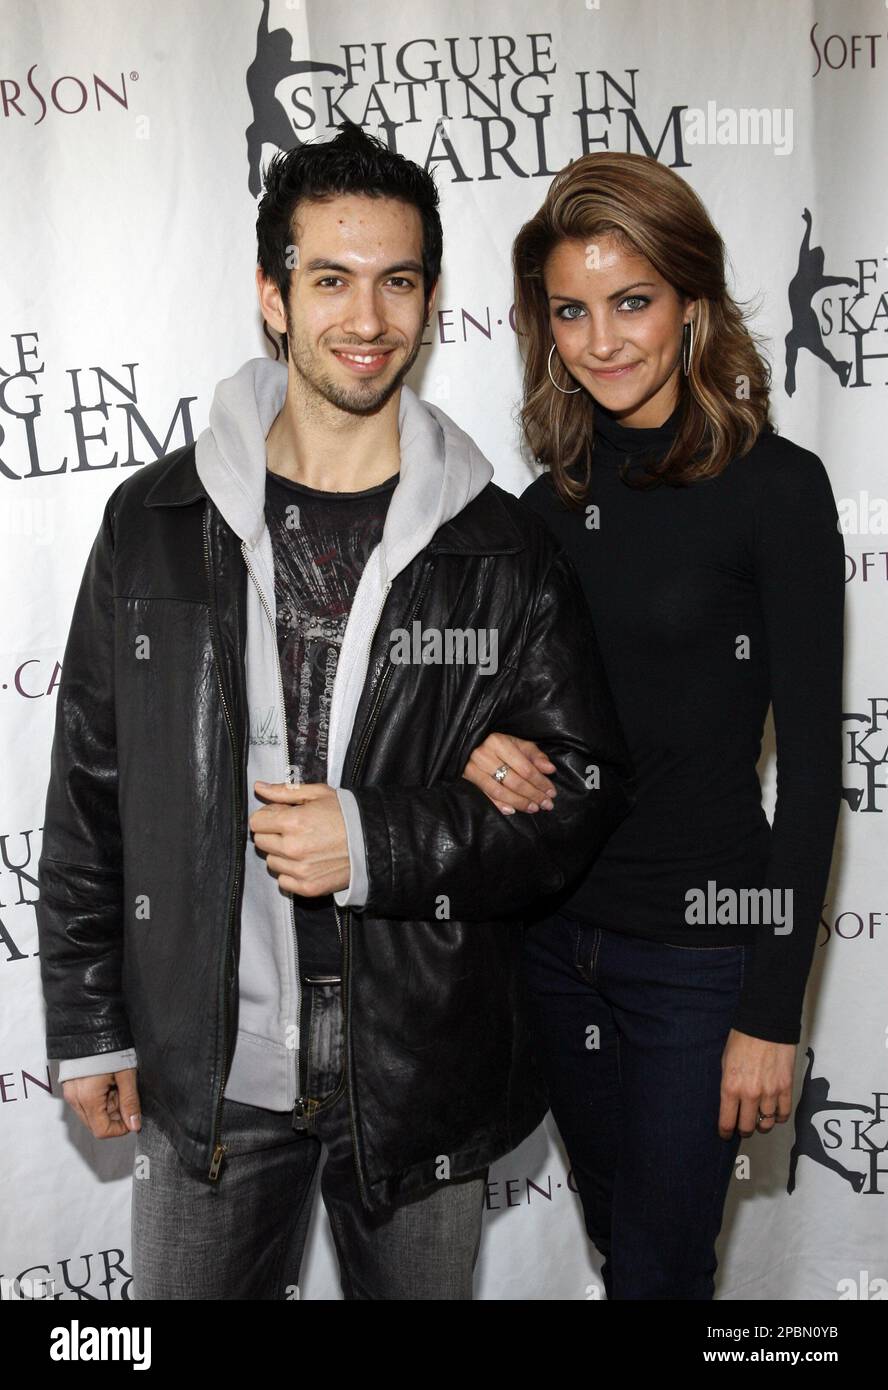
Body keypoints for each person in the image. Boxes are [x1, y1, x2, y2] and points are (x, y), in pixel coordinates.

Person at [35, 124, 635, 1301]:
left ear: (429, 297)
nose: (367, 318)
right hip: (210, 1066)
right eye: (331, 280)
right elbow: (93, 786)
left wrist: (379, 837)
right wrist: (92, 1022)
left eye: (397, 281)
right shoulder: (154, 521)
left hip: (419, 1062)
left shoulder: (500, 544)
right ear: (272, 295)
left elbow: (576, 795)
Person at [462, 151, 845, 1300]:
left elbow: (818, 768)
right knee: (627, 1245)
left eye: (632, 301)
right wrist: (474, 744)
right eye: (571, 311)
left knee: (663, 1271)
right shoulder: (541, 510)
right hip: (556, 953)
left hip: (700, 960)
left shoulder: (778, 489)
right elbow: (502, 715)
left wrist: (771, 1009)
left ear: (691, 300)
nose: (603, 339)